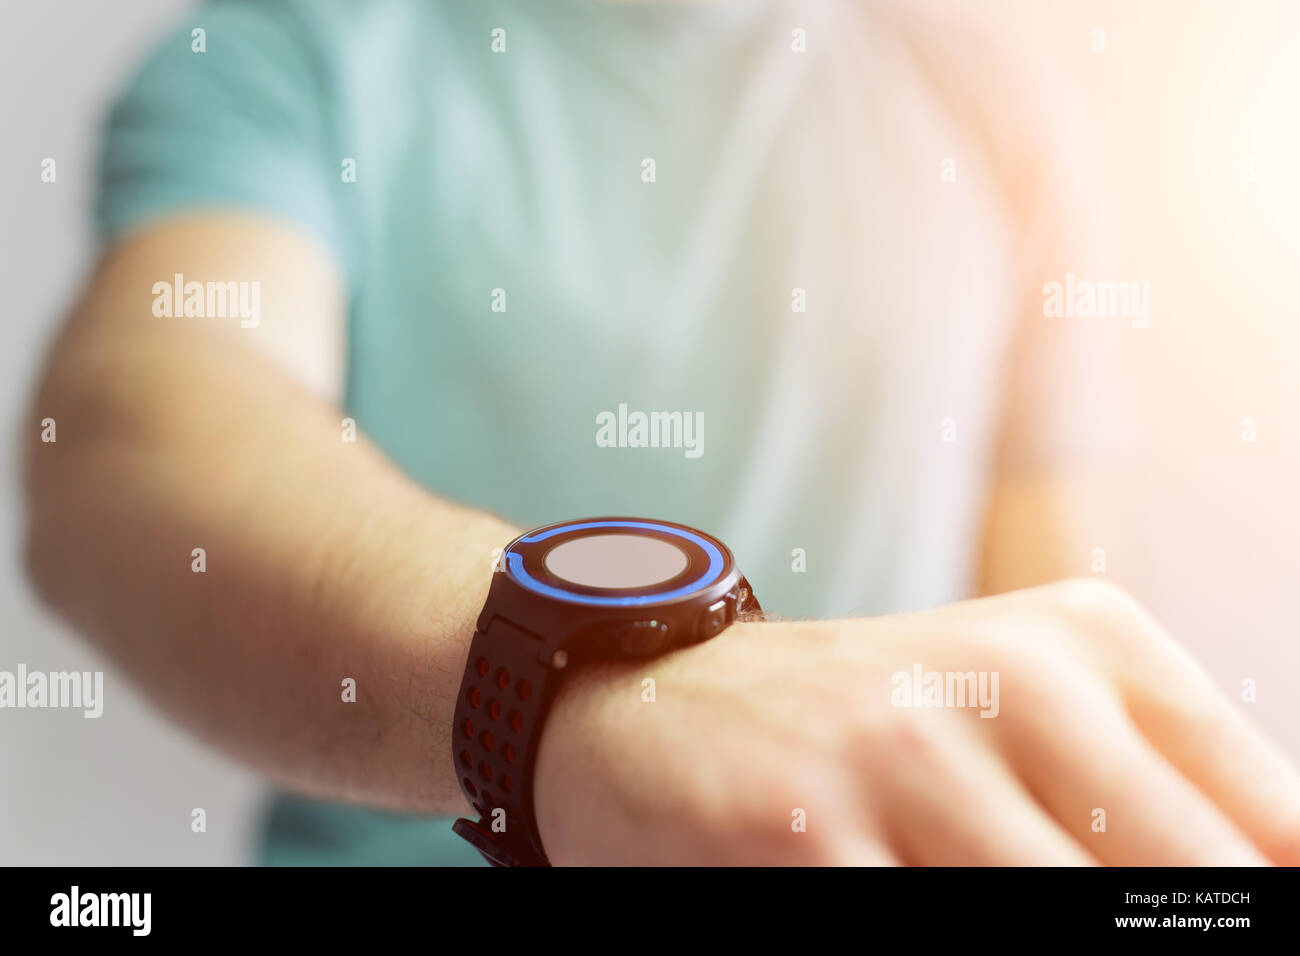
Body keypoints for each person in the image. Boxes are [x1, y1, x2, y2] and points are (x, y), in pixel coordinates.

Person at [23, 0, 1300, 865]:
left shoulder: (986, 83)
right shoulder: (290, 50)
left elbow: (1056, 597)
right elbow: (136, 439)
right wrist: (589, 696)